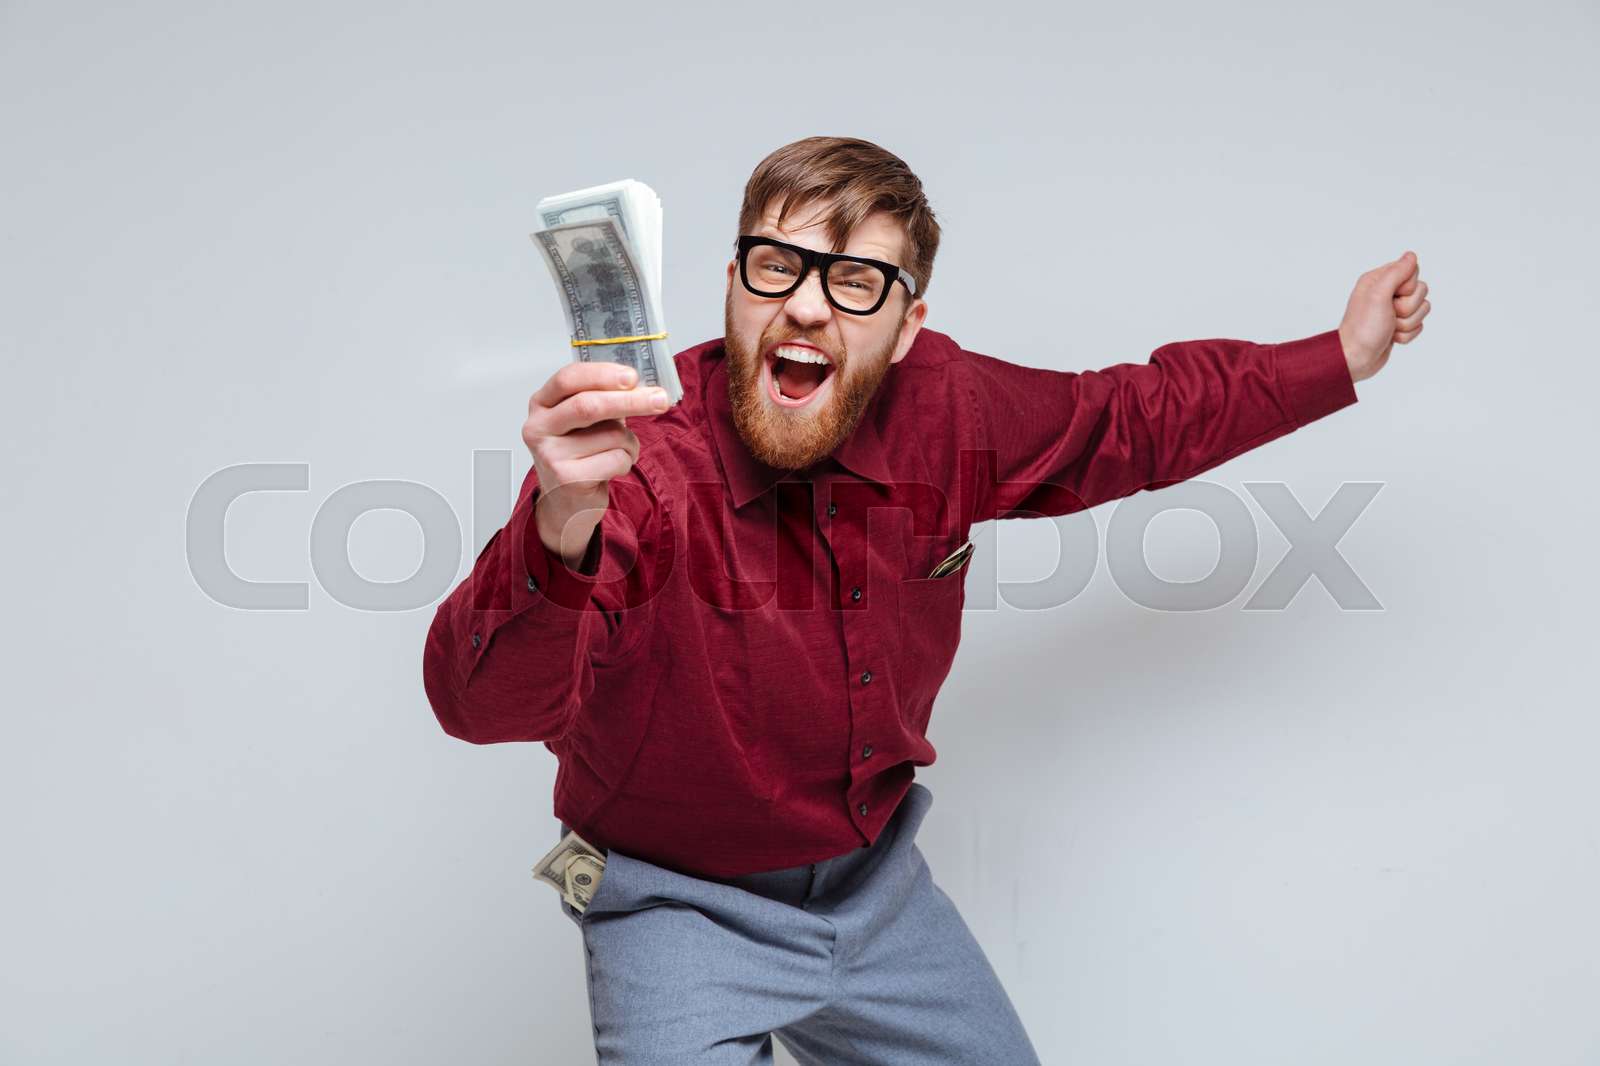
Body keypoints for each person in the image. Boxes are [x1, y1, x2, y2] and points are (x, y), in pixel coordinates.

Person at [422, 136, 1431, 1064]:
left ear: (908, 328)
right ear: (731, 288)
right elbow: (480, 708)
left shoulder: (948, 407)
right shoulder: (629, 466)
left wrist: (1337, 355)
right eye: (777, 265)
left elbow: (1133, 416)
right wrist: (556, 532)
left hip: (876, 897)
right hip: (677, 908)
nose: (808, 307)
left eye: (856, 281)